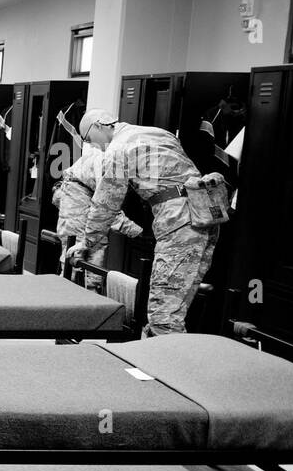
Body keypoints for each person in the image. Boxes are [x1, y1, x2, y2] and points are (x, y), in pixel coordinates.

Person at [67, 109, 229, 335]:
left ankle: (162, 365)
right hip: (205, 216)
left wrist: (87, 243)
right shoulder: (159, 133)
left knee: (163, 315)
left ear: (100, 125)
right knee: (177, 305)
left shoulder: (119, 148)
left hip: (178, 225)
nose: (93, 146)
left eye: (88, 139)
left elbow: (105, 204)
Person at [54, 146, 143, 289]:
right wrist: (138, 232)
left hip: (76, 194)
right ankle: (78, 300)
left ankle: (85, 296)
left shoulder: (114, 159)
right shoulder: (114, 165)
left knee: (85, 251)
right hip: (77, 198)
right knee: (77, 257)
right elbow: (107, 208)